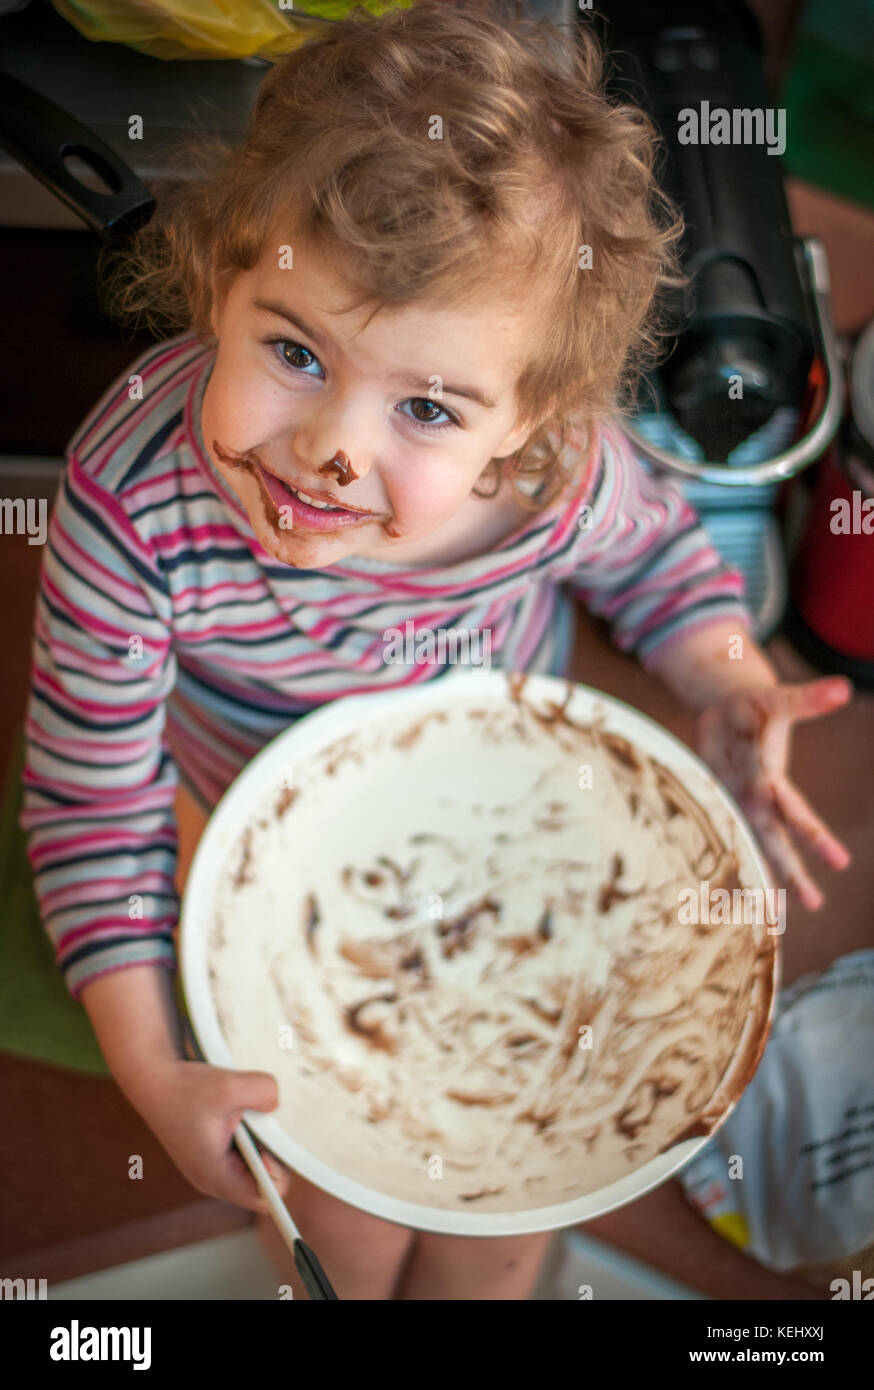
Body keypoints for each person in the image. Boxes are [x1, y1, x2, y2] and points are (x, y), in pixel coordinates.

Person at [19, 0, 852, 1300]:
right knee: (341, 1228)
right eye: (292, 349)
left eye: (423, 406)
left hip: (499, 832)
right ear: (217, 280)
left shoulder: (558, 479)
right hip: (259, 842)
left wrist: (718, 673)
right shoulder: (131, 504)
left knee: (496, 1222)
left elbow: (655, 563)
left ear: (531, 421)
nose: (331, 450)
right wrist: (151, 1064)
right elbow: (90, 802)